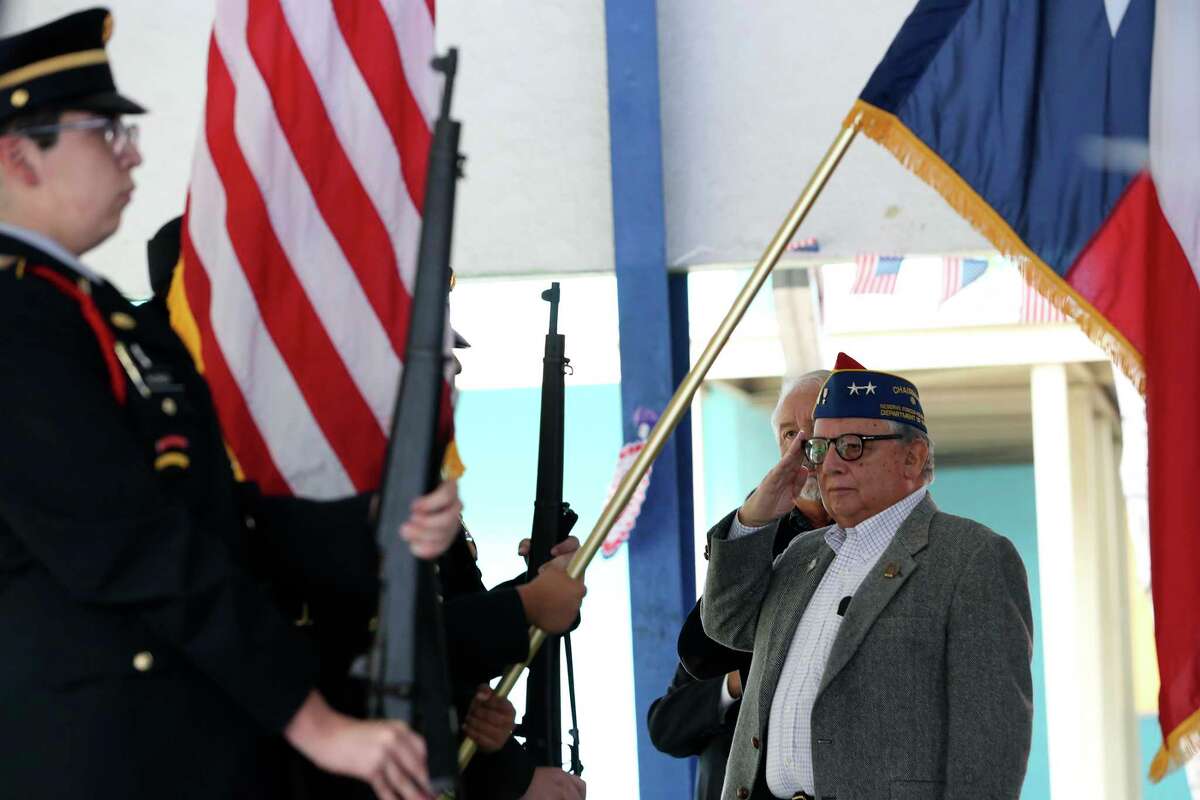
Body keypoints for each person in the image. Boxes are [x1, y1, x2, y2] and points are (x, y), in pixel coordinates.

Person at [0, 10, 460, 799]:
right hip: (101, 758)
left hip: (178, 740)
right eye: (105, 133)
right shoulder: (20, 321)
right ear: (19, 156)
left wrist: (379, 520)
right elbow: (126, 542)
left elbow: (209, 513)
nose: (133, 152)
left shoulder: (94, 310)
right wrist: (313, 723)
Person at [703, 353, 1034, 800]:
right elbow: (727, 622)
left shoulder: (972, 558)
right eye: (820, 448)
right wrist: (753, 520)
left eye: (854, 446)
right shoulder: (804, 554)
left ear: (913, 458)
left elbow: (988, 750)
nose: (831, 465)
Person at [648, 371, 831, 800]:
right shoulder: (751, 548)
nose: (803, 446)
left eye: (818, 429)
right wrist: (742, 681)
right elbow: (666, 726)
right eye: (790, 432)